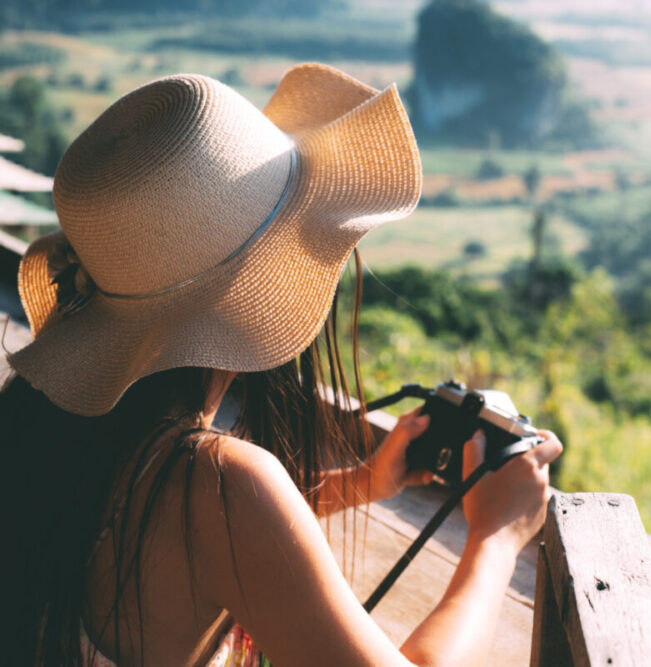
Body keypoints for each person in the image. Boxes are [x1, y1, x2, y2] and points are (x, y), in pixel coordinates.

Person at [1, 63, 562, 666]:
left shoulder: (39, 422)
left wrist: (361, 486)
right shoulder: (218, 483)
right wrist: (497, 538)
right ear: (253, 287)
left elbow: (194, 543)